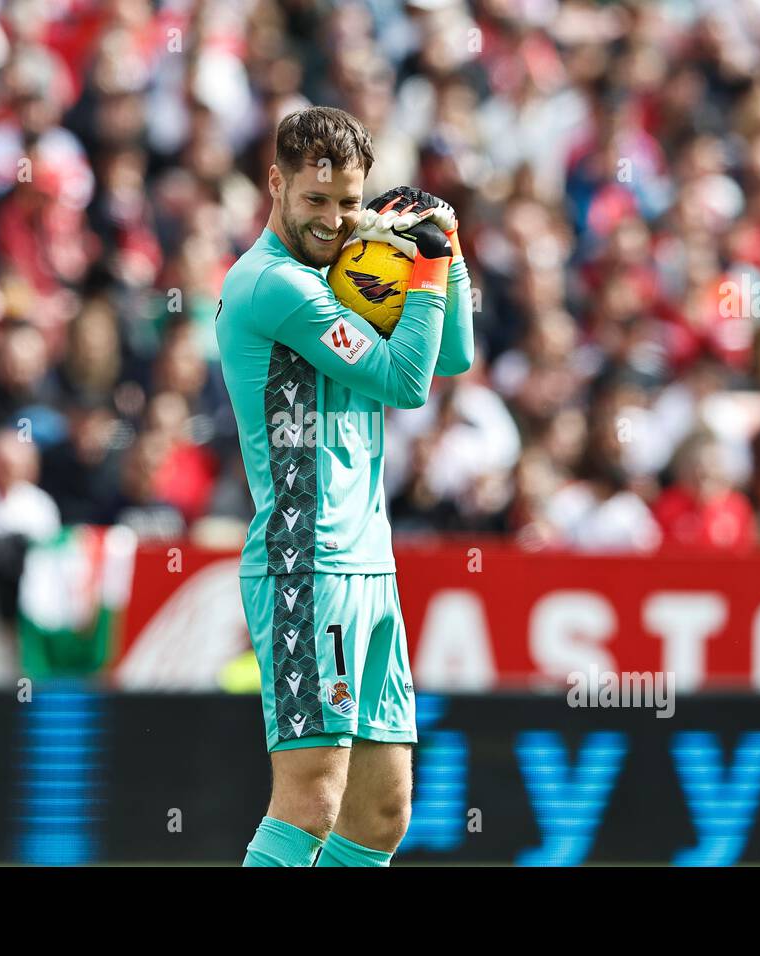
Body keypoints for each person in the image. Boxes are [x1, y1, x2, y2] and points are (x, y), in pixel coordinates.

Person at [216, 105, 473, 866]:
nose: (335, 221)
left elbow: (451, 355)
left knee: (381, 814)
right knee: (311, 804)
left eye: (349, 202)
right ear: (276, 185)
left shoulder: (343, 278)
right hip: (306, 566)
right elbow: (406, 380)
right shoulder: (272, 285)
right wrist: (423, 269)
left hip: (370, 566)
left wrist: (447, 250)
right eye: (316, 201)